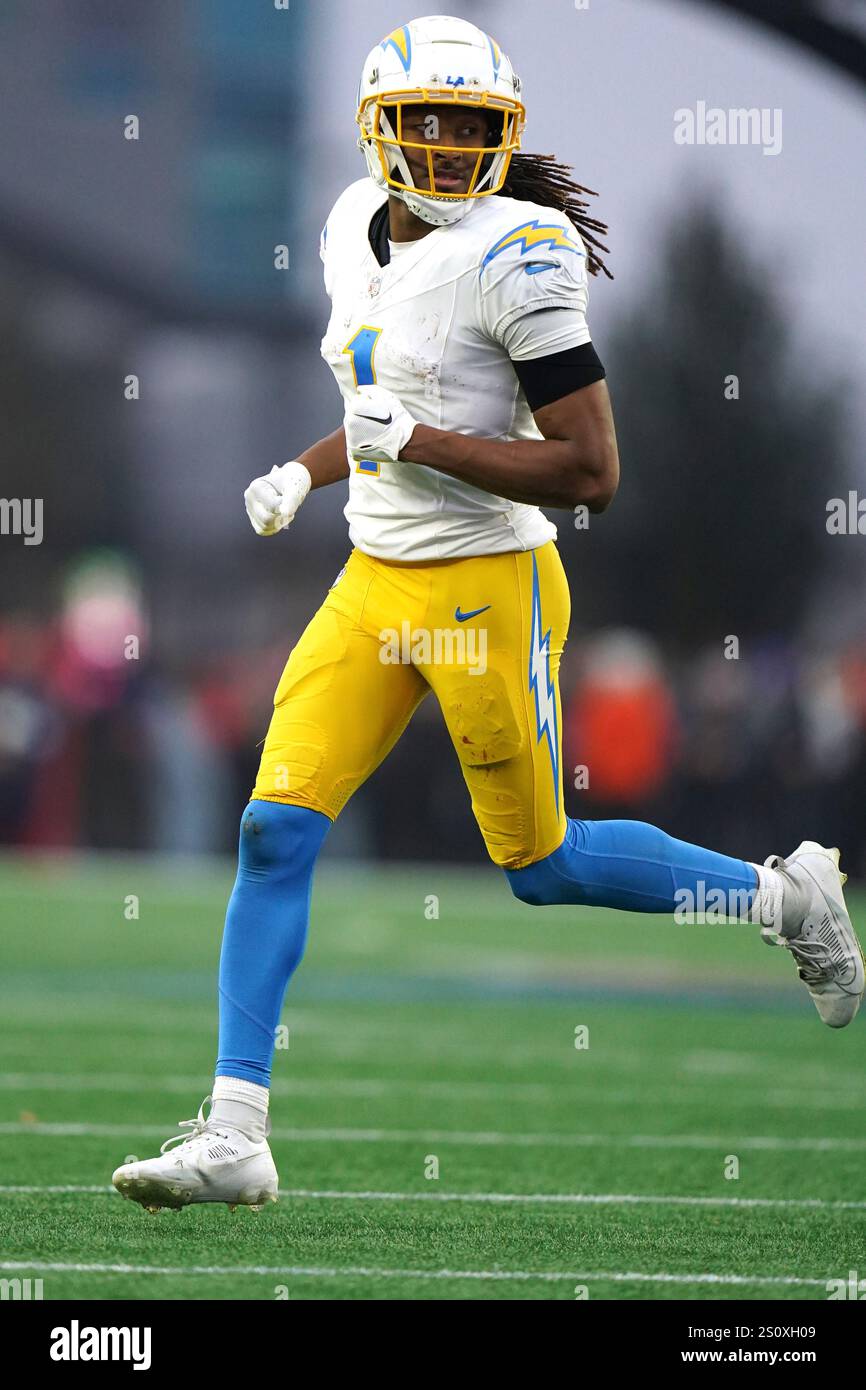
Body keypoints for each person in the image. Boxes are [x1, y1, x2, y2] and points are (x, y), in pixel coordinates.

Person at [112, 15, 864, 1214]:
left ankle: (785, 897)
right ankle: (236, 1129)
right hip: (372, 578)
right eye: (429, 121)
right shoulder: (347, 225)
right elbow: (379, 397)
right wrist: (305, 470)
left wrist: (416, 442)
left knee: (540, 866)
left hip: (484, 585)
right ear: (379, 129)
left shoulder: (516, 253)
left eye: (472, 125)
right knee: (272, 830)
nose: (452, 144)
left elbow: (589, 472)